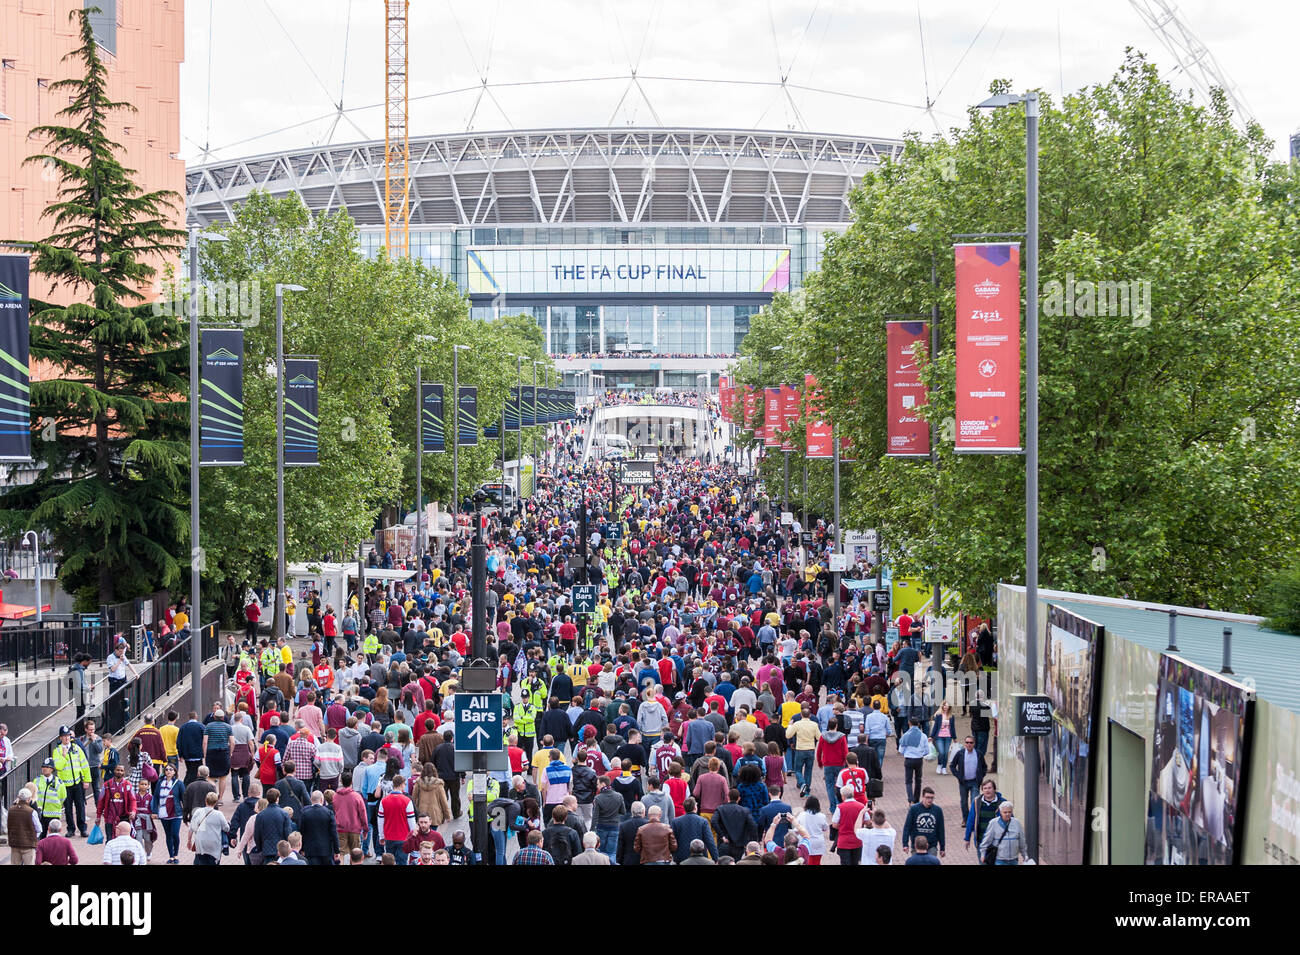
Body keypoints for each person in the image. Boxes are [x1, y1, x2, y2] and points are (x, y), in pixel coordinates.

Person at [51, 725, 92, 837]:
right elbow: (58, 766)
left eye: (68, 735)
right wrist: (64, 756)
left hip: (77, 782)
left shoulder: (76, 748)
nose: (67, 738)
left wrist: (86, 780)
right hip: (64, 784)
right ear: (60, 738)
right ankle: (71, 829)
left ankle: (83, 828)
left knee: (80, 806)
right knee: (68, 808)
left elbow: (84, 765)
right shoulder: (57, 751)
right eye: (64, 736)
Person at [152, 762, 186, 863]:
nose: (168, 771)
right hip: (163, 813)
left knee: (175, 833)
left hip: (176, 813)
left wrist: (186, 812)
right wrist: (154, 811)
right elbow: (156, 797)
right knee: (168, 835)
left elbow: (183, 799)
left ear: (175, 771)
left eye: (171, 769)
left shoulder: (179, 783)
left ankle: (176, 854)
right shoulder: (160, 782)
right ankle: (171, 855)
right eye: (166, 769)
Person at [950, 733, 988, 822]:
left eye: (971, 742)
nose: (969, 744)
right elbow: (952, 766)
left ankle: (973, 820)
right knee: (963, 802)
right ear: (964, 744)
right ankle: (965, 819)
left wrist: (981, 776)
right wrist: (958, 775)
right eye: (967, 742)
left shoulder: (978, 754)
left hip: (975, 782)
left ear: (974, 743)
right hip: (963, 782)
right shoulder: (960, 754)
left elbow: (984, 766)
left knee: (974, 801)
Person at [902, 786, 946, 858]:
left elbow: (941, 830)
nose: (930, 800)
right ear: (923, 797)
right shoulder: (914, 809)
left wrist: (942, 848)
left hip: (932, 846)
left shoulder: (938, 810)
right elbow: (907, 827)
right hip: (917, 846)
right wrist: (905, 844)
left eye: (932, 798)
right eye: (927, 797)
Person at [978, 800, 1027, 865]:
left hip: (1014, 860)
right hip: (1000, 860)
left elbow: (1022, 841)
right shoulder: (993, 823)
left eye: (1009, 812)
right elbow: (987, 840)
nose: (1007, 814)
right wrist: (983, 854)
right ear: (1000, 812)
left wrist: (1024, 855)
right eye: (1005, 812)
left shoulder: (1016, 823)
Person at [965, 778, 1006, 852]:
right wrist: (967, 838)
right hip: (981, 841)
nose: (987, 790)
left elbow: (1010, 820)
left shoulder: (1003, 803)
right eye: (985, 788)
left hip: (997, 842)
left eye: (989, 788)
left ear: (994, 789)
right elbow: (970, 820)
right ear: (982, 790)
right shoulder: (976, 802)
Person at [299, 790, 340, 865]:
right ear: (322, 799)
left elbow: (302, 832)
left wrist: (302, 849)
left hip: (310, 850)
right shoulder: (329, 813)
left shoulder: (305, 813)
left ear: (311, 800)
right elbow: (334, 833)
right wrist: (336, 850)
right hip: (326, 850)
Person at [188, 790, 229, 865]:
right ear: (216, 802)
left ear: (205, 801)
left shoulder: (198, 811)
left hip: (201, 843)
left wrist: (189, 840)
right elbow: (226, 828)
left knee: (201, 861)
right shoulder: (219, 814)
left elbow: (191, 828)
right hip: (214, 843)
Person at [829, 785, 866, 865]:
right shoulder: (861, 806)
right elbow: (868, 821)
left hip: (844, 841)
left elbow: (834, 824)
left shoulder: (840, 807)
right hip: (857, 841)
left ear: (843, 796)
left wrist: (843, 826)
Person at [898, 717, 929, 804]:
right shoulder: (923, 736)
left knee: (908, 780)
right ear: (918, 724)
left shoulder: (906, 735)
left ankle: (910, 798)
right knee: (918, 780)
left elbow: (901, 750)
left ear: (909, 723)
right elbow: (927, 750)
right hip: (919, 760)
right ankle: (916, 799)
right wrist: (920, 754)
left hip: (909, 759)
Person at [7, 788, 40, 865]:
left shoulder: (11, 810)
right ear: (28, 799)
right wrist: (34, 838)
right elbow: (39, 829)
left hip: (15, 843)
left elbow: (9, 825)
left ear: (18, 797)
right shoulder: (31, 812)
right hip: (28, 844)